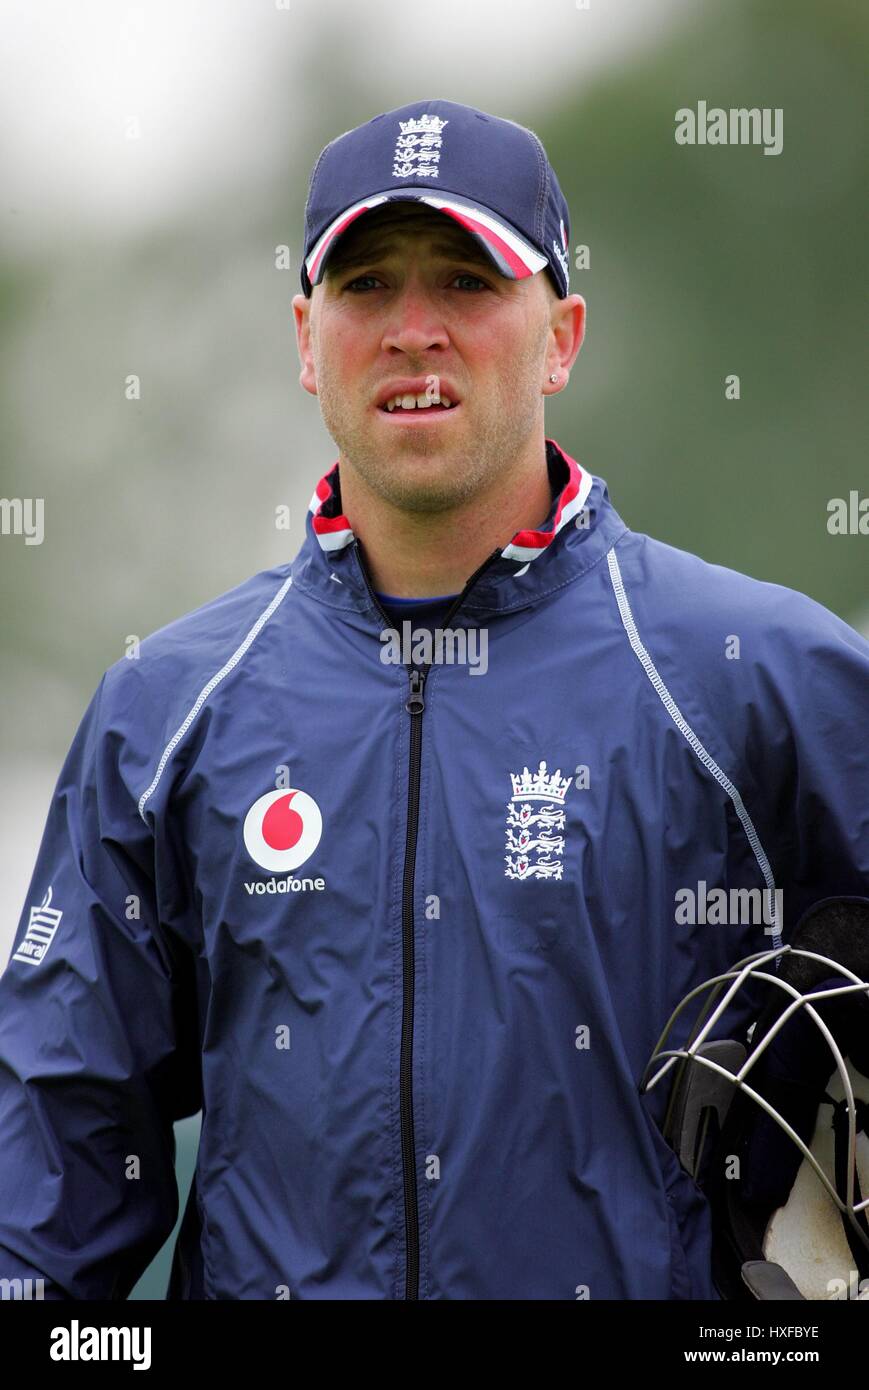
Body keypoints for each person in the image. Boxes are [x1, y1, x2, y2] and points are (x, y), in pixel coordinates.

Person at [0, 98, 867, 1302]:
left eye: (467, 280)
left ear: (559, 334)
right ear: (305, 339)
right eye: (365, 287)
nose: (414, 331)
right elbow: (57, 1155)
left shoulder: (757, 673)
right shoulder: (166, 709)